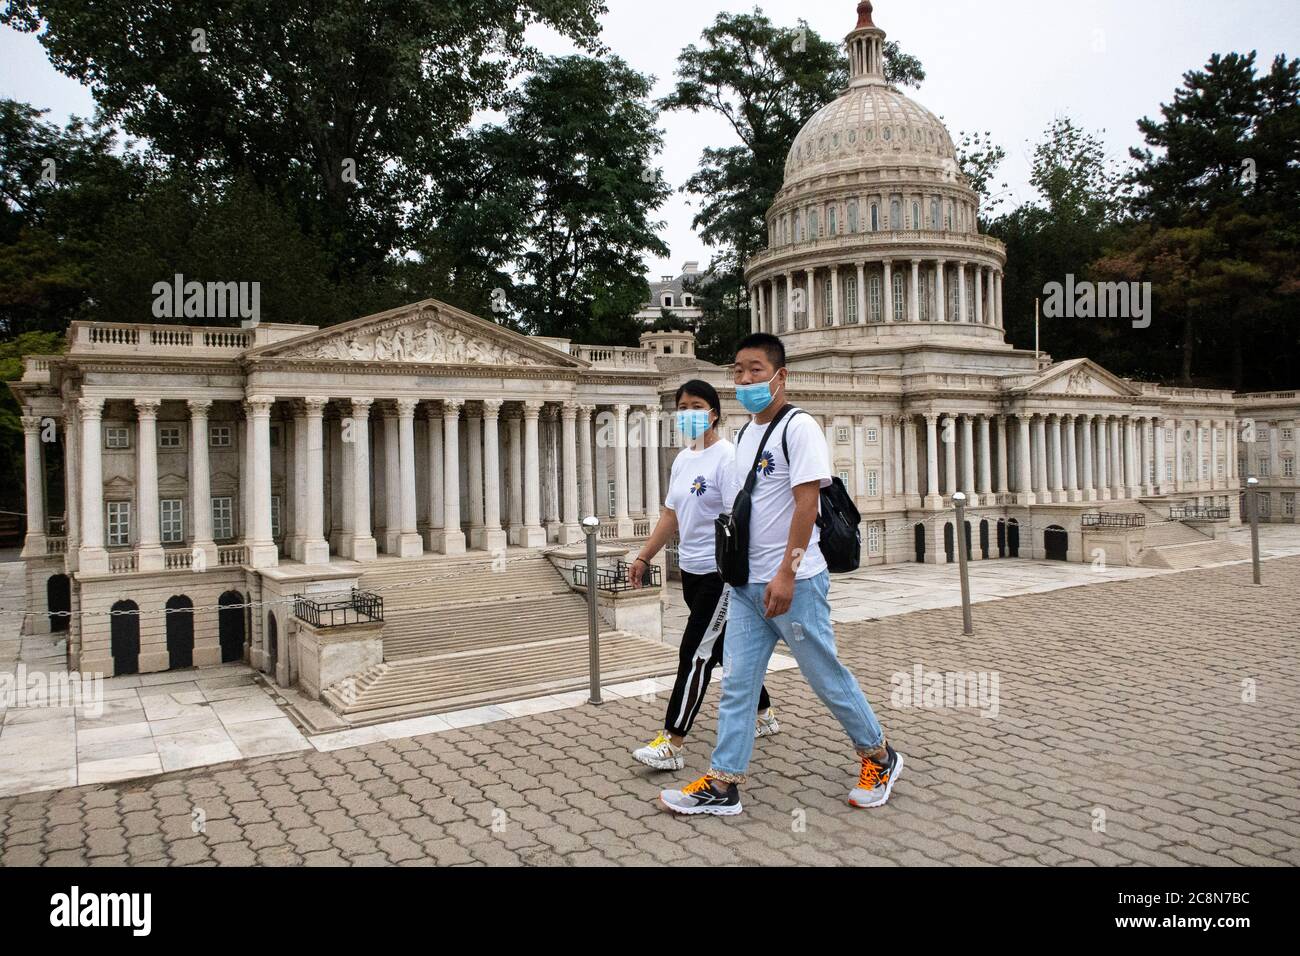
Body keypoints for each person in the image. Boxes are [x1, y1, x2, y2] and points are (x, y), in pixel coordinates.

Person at [660, 334, 902, 816]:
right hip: (747, 585)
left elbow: (806, 503)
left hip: (796, 584)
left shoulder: (800, 427)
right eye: (738, 370)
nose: (745, 379)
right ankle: (725, 784)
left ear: (779, 376)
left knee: (826, 677)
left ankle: (879, 755)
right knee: (738, 686)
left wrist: (787, 575)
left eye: (755, 369)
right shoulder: (745, 436)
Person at [628, 380, 779, 771]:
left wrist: (741, 572)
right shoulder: (682, 460)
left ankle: (672, 742)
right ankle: (763, 714)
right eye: (681, 407)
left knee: (695, 654)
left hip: (720, 575)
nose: (687, 413)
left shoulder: (727, 458)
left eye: (696, 406)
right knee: (726, 647)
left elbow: (738, 519)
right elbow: (670, 516)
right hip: (692, 572)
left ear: (713, 413)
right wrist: (644, 557)